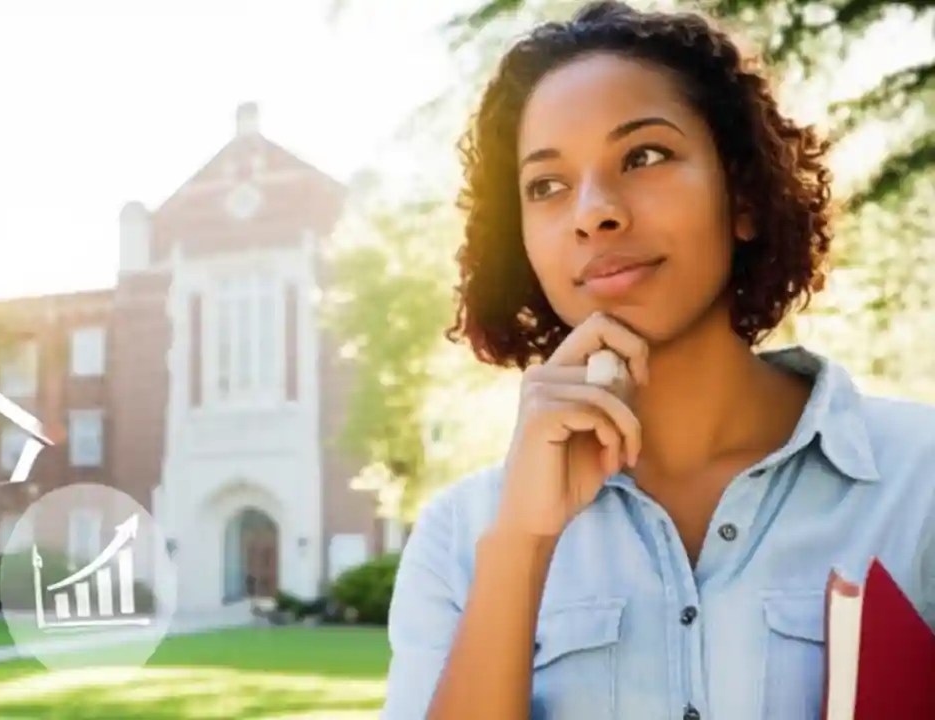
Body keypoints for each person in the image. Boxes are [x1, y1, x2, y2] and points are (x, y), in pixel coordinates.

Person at [382, 2, 935, 719]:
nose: (593, 212)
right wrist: (523, 544)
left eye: (644, 156)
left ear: (742, 196)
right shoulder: (461, 536)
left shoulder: (920, 482)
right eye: (546, 185)